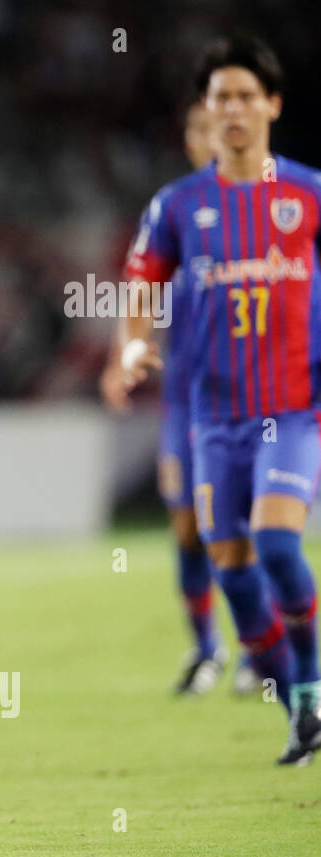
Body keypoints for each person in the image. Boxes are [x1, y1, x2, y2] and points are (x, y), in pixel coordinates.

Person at [119, 34, 321, 765]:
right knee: (231, 566)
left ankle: (311, 687)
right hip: (212, 419)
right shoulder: (179, 204)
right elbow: (140, 281)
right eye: (219, 98)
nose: (232, 108)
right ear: (207, 111)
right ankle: (293, 696)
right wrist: (134, 344)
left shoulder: (307, 193)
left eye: (244, 95)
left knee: (274, 542)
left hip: (293, 410)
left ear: (270, 104)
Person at [101, 100, 253, 696]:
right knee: (188, 525)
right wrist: (127, 355)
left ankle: (258, 653)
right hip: (186, 400)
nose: (209, 138)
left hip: (250, 398)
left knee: (242, 526)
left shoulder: (264, 211)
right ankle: (206, 648)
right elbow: (138, 289)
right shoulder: (177, 210)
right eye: (198, 129)